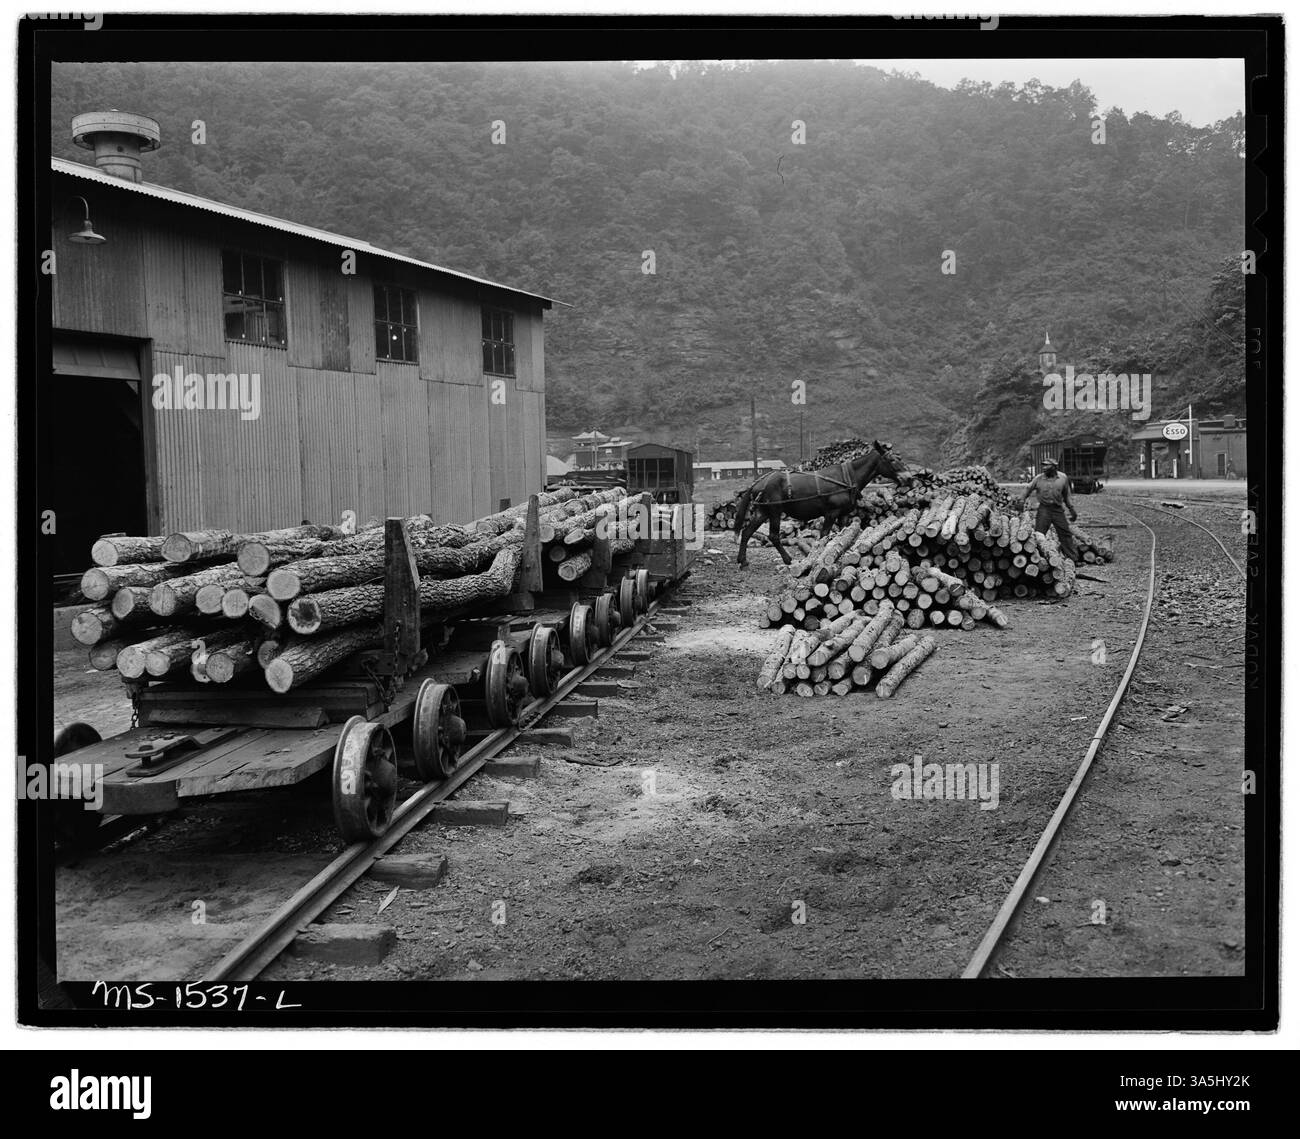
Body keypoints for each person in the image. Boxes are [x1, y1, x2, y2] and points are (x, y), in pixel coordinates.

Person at [1018, 457, 1079, 561]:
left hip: (1058, 510)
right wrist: (1020, 501)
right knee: (1039, 534)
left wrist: (1072, 509)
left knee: (1065, 533)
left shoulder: (1063, 478)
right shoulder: (1038, 478)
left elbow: (1067, 495)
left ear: (1054, 467)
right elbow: (1027, 489)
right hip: (1044, 509)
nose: (1044, 468)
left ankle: (1072, 559)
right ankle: (1036, 558)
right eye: (1043, 465)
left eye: (1047, 465)